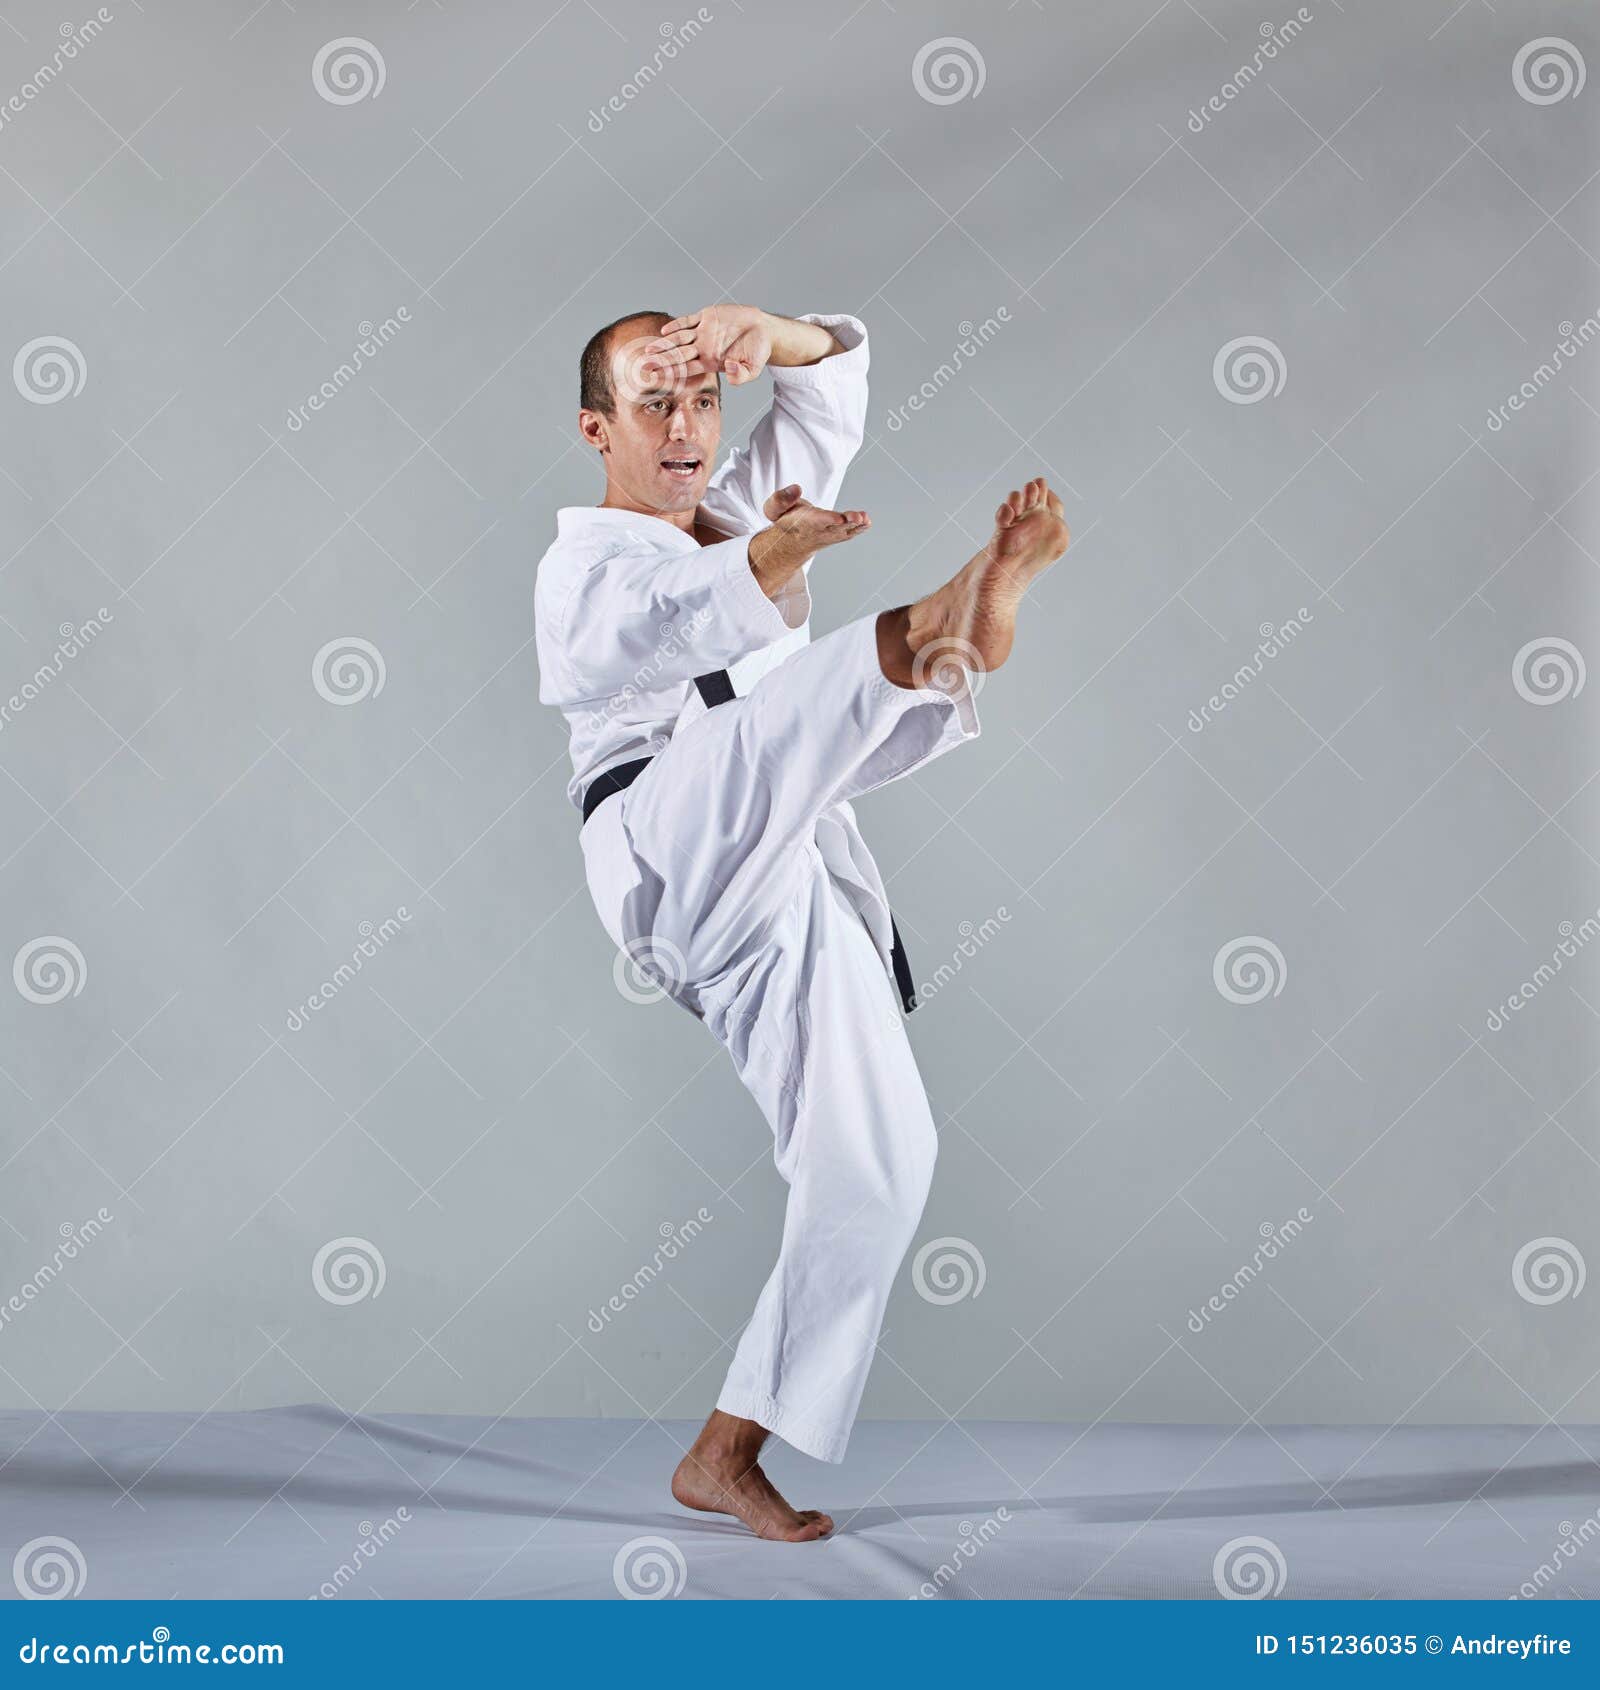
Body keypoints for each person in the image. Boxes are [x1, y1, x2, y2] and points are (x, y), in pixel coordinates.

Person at [534, 303, 1068, 1541]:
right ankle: (936, 633)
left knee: (881, 1165)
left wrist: (771, 336)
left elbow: (830, 393)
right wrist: (775, 565)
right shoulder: (583, 568)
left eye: (701, 400)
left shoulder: (740, 499)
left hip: (778, 866)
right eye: (652, 403)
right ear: (594, 428)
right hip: (665, 835)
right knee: (796, 703)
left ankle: (726, 1449)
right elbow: (661, 627)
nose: (684, 427)